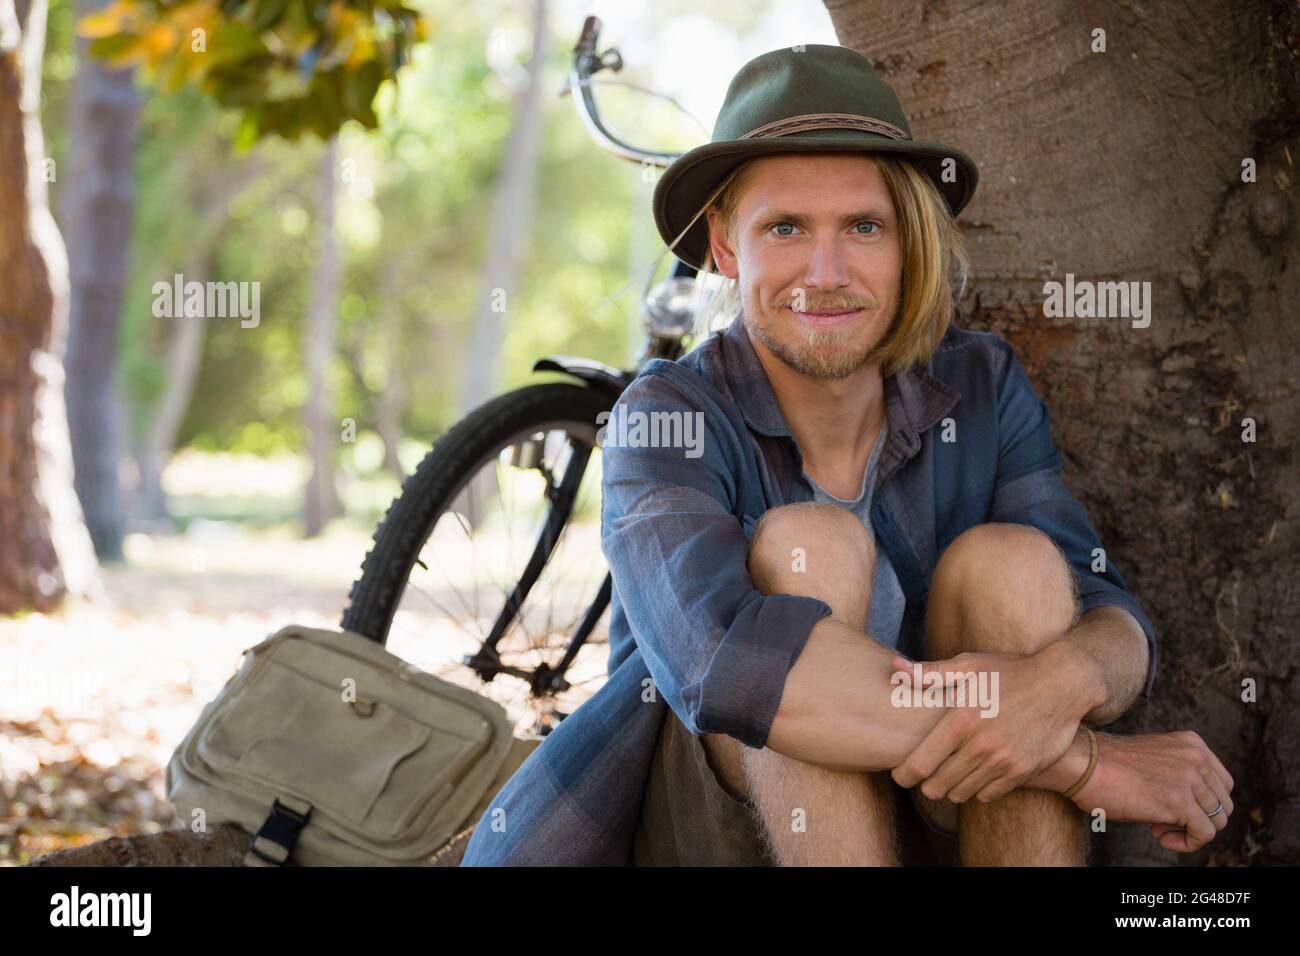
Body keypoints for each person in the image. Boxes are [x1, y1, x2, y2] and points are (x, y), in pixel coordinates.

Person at [460, 43, 1233, 867]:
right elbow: (726, 669)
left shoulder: (979, 381)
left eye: (864, 227)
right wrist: (1086, 764)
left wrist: (1070, 677)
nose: (824, 274)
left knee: (1014, 566)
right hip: (715, 829)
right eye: (785, 228)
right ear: (725, 245)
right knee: (814, 545)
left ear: (908, 243)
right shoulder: (667, 415)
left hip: (944, 817)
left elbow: (1108, 610)